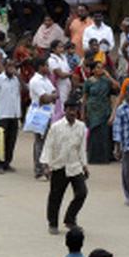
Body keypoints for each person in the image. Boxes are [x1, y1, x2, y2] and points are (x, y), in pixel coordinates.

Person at [41, 99, 90, 235]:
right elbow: (48, 146)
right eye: (70, 110)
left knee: (82, 193)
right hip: (59, 165)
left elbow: (82, 148)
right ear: (65, 110)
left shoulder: (81, 127)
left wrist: (84, 165)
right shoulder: (56, 127)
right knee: (56, 196)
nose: (73, 112)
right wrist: (46, 165)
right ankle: (53, 223)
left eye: (75, 110)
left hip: (75, 165)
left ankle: (70, 219)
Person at [82, 60, 118, 165]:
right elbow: (85, 98)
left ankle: (104, 157)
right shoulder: (88, 82)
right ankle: (93, 157)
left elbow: (117, 87)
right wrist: (83, 112)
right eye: (97, 67)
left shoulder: (106, 81)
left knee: (104, 134)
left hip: (104, 109)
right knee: (94, 133)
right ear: (93, 70)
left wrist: (109, 76)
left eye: (101, 67)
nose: (100, 69)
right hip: (92, 109)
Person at [30, 57, 60, 180]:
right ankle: (39, 170)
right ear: (40, 67)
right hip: (39, 114)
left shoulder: (46, 80)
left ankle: (46, 168)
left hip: (48, 113)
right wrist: (52, 96)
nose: (48, 68)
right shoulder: (36, 81)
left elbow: (54, 93)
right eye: (46, 65)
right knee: (39, 142)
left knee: (47, 142)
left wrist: (52, 96)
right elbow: (44, 98)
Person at [0, 59, 22, 173]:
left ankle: (7, 162)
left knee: (11, 140)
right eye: (9, 66)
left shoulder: (16, 80)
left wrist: (19, 76)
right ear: (4, 67)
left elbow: (24, 89)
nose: (11, 68)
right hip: (3, 113)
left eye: (13, 66)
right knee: (1, 140)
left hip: (14, 113)